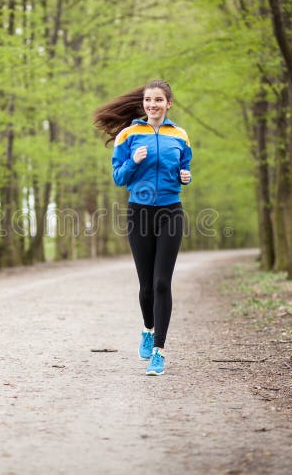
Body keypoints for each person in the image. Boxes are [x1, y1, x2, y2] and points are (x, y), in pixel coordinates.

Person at [93, 79, 192, 376]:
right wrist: (134, 162)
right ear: (143, 104)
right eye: (149, 100)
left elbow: (184, 170)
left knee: (163, 283)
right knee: (147, 285)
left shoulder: (180, 136)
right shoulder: (129, 134)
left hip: (171, 211)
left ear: (168, 104)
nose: (153, 105)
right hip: (139, 213)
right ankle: (148, 330)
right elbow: (119, 178)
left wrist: (186, 177)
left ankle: (159, 352)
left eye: (159, 100)